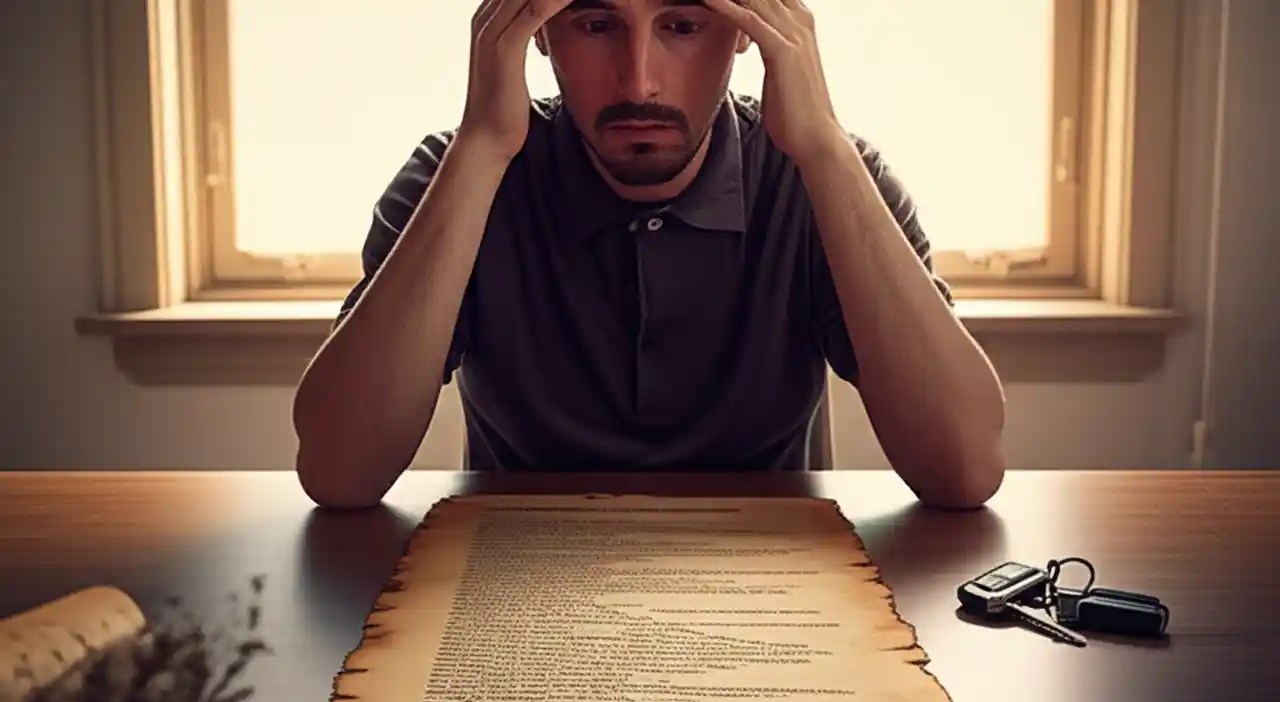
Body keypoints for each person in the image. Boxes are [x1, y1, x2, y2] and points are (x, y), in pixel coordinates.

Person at [292, 0, 1007, 510]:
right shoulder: (455, 175)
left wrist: (823, 146)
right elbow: (340, 474)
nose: (639, 82)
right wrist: (481, 149)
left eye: (684, 25)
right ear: (534, 34)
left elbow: (965, 471)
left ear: (747, 33)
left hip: (774, 601)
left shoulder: (822, 177)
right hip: (514, 596)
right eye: (597, 24)